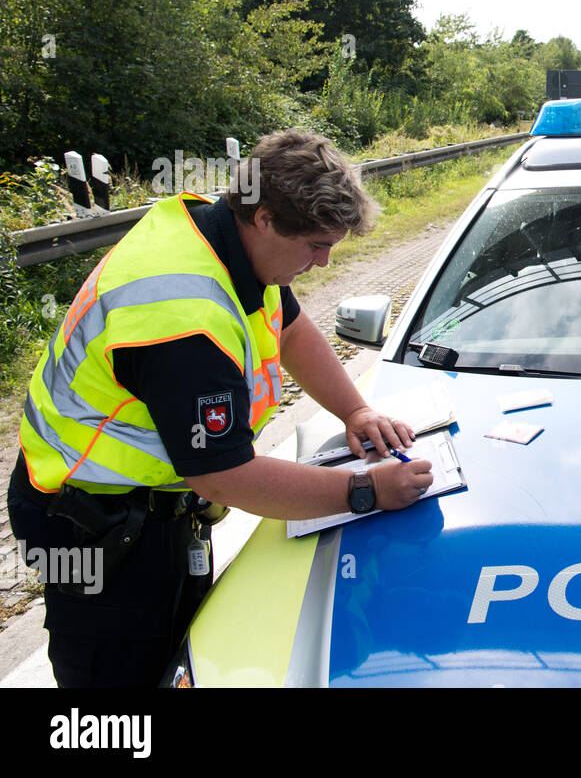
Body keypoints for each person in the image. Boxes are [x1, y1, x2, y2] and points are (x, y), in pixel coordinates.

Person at [6, 129, 433, 687]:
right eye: (315, 245)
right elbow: (225, 476)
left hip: (151, 509)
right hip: (93, 529)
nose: (325, 264)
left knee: (183, 654)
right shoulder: (183, 319)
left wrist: (355, 412)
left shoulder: (223, 235)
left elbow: (291, 329)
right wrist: (364, 493)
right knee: (115, 678)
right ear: (265, 219)